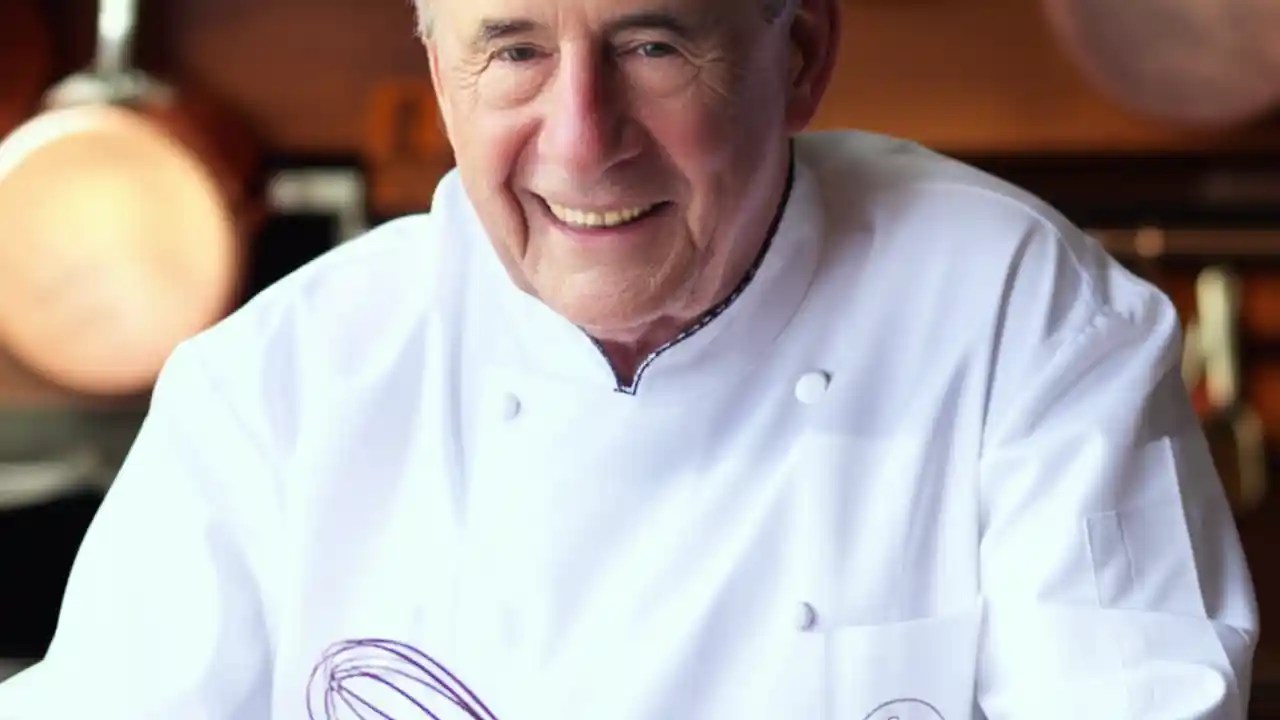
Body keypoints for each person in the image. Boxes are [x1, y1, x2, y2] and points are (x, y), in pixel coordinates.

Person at [0, 0, 1258, 717]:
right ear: (437, 67)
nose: (582, 141)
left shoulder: (1019, 318)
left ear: (798, 56)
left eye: (652, 44)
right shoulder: (272, 392)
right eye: (513, 51)